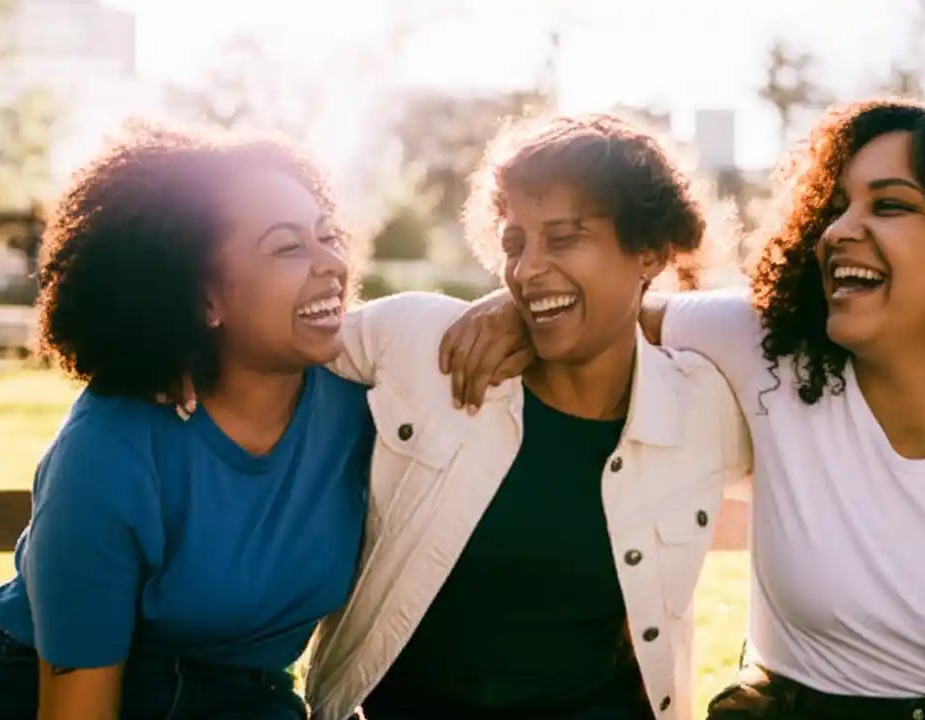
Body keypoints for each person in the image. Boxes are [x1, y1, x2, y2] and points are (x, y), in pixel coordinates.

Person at [438, 100, 925, 719]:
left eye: (889, 205)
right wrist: (513, 309)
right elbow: (607, 305)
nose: (837, 230)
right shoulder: (768, 349)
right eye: (836, 206)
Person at [304, 114, 751, 720]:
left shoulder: (705, 407)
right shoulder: (423, 344)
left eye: (563, 238)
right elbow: (274, 339)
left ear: (648, 252)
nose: (526, 268)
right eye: (516, 244)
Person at [0, 124, 375, 720]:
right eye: (287, 247)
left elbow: (470, 340)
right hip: (32, 692)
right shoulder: (109, 448)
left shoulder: (369, 393)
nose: (332, 265)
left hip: (239, 694)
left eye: (328, 236)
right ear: (202, 298)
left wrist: (501, 317)